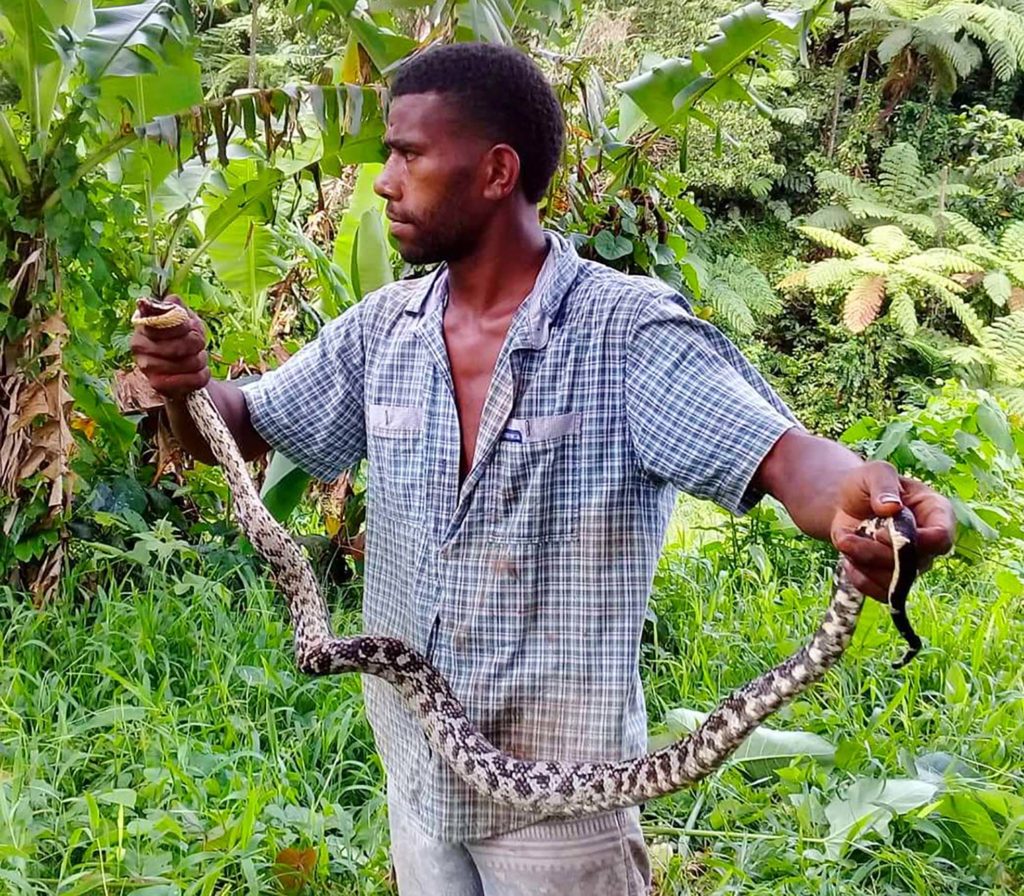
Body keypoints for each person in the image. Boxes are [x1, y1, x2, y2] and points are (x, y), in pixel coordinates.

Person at [131, 42, 955, 896]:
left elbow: (785, 460)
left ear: (495, 172)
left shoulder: (626, 333)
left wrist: (858, 500)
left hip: (563, 818)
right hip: (418, 786)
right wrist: (185, 385)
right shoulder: (383, 330)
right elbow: (241, 426)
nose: (384, 181)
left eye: (409, 154)